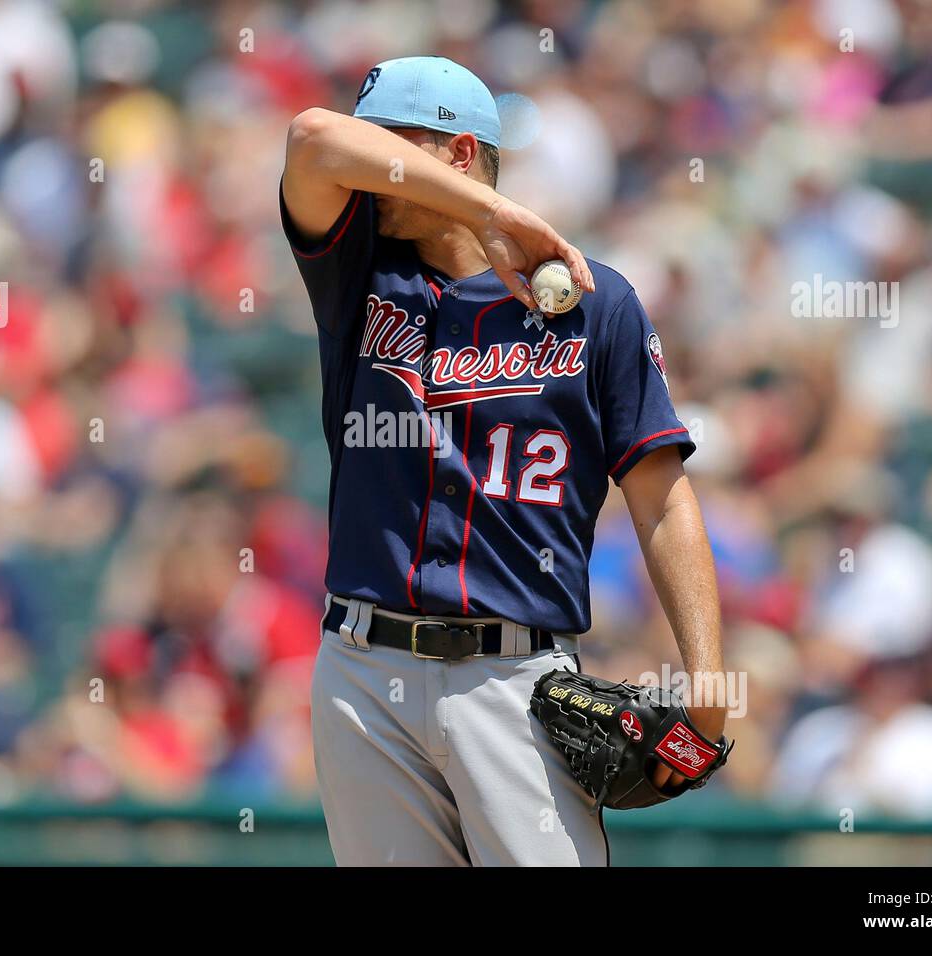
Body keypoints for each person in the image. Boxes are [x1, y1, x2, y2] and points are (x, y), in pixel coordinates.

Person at [280, 56, 727, 865]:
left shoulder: (597, 304)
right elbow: (313, 140)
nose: (375, 169)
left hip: (514, 681)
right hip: (360, 671)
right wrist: (492, 210)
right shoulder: (359, 271)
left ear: (454, 152)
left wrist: (707, 680)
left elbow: (661, 497)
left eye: (395, 145)